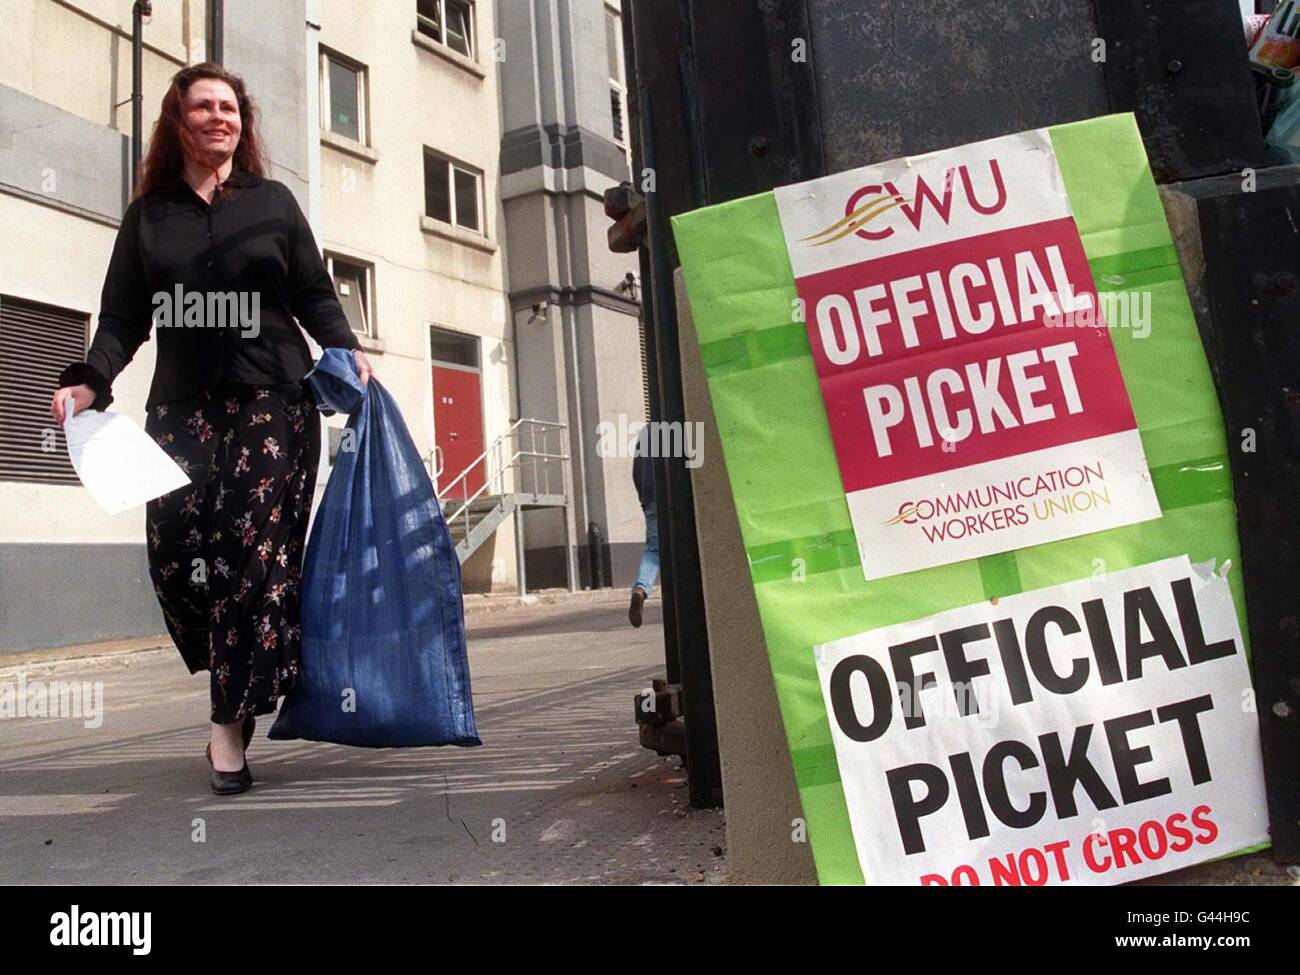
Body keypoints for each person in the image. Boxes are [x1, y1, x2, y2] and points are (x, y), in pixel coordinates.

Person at [49, 63, 374, 796]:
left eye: (230, 106)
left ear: (241, 121)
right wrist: (88, 378)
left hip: (271, 399)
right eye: (204, 106)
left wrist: (346, 348)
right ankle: (242, 665)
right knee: (176, 554)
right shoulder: (150, 217)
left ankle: (229, 724)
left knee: (251, 558)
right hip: (181, 407)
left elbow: (314, 293)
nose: (219, 116)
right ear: (179, 119)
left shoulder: (273, 204)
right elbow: (125, 318)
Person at [629, 424, 658, 627]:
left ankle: (641, 588)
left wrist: (644, 500)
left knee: (654, 550)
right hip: (675, 498)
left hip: (651, 500)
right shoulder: (681, 424)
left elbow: (636, 472)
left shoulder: (646, 433)